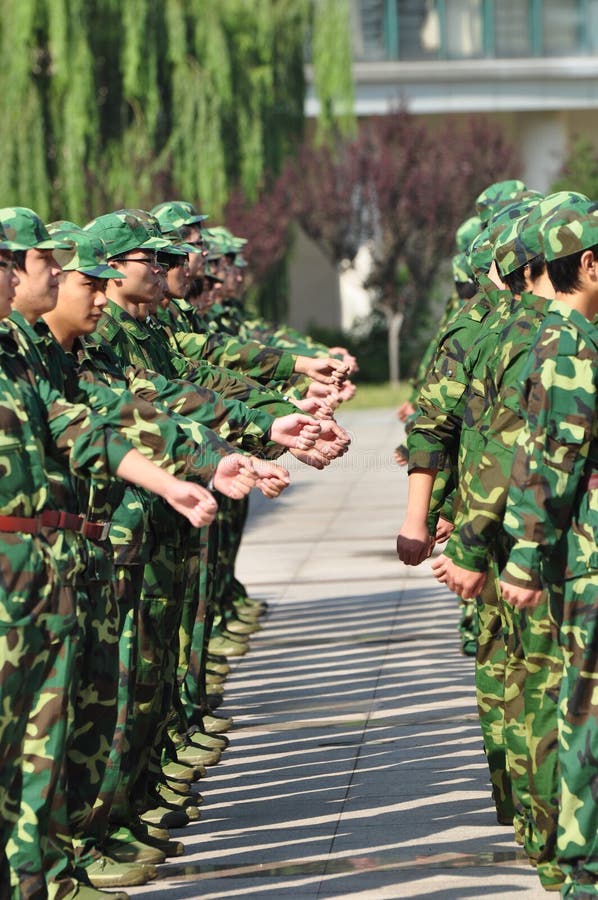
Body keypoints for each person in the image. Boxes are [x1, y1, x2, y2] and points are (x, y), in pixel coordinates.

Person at [499, 200, 598, 899]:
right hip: (588, 555)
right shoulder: (572, 347)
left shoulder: (566, 334)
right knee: (587, 708)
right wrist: (527, 556)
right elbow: (551, 463)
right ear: (589, 263)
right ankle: (584, 865)